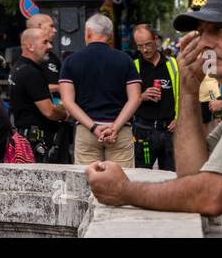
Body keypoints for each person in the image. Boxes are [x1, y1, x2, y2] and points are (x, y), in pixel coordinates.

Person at [86, 0, 222, 237]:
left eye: (219, 29)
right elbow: (193, 175)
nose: (205, 43)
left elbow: (211, 196)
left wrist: (124, 191)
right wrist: (189, 91)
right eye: (201, 32)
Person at [59, 13, 142, 167]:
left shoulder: (71, 61)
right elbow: (135, 98)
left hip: (86, 130)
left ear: (88, 32)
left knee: (87, 183)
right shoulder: (125, 60)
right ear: (110, 36)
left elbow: (67, 101)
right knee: (120, 184)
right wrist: (115, 127)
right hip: (120, 130)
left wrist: (94, 128)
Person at [10, 29, 67, 161]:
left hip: (26, 137)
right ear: (30, 46)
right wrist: (66, 114)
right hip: (37, 140)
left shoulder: (18, 67)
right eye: (45, 42)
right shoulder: (30, 72)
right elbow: (49, 112)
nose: (50, 46)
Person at [131, 23, 179, 171]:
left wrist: (179, 118)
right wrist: (141, 96)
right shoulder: (133, 66)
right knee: (142, 175)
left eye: (148, 44)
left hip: (169, 131)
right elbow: (125, 99)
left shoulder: (173, 64)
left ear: (156, 40)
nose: (144, 50)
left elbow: (183, 94)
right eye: (140, 46)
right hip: (144, 130)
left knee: (170, 177)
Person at [25, 13, 62, 89]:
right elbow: (31, 88)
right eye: (51, 26)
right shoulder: (27, 57)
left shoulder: (52, 56)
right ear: (39, 26)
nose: (55, 30)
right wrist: (62, 88)